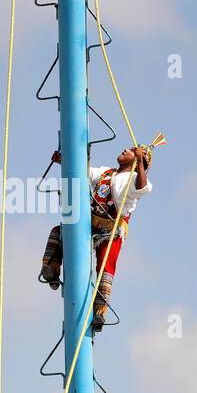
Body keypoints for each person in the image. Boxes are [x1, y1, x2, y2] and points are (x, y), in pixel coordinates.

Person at [38, 142, 154, 332]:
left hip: (112, 229)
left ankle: (99, 311)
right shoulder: (107, 173)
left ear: (137, 160)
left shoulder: (134, 178)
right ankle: (51, 268)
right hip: (91, 222)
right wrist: (64, 162)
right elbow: (85, 172)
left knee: (105, 266)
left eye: (131, 151)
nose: (125, 149)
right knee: (58, 232)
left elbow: (143, 187)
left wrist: (141, 162)